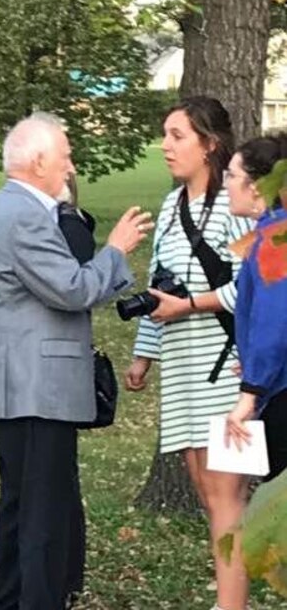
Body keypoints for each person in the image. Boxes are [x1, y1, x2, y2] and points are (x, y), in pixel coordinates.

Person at [0, 113, 150, 610]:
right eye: (65, 154)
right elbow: (73, 289)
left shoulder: (11, 209)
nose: (71, 165)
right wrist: (115, 250)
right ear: (38, 160)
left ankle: (7, 602)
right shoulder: (24, 214)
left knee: (21, 508)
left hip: (20, 386)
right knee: (42, 515)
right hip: (32, 388)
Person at [124, 97, 255, 610]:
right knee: (207, 492)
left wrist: (191, 305)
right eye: (165, 134)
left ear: (210, 144)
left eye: (177, 135)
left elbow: (256, 285)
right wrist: (143, 355)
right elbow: (162, 290)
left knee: (228, 497)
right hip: (182, 372)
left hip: (229, 372)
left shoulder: (235, 204)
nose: (165, 145)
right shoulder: (172, 207)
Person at [223, 133, 287, 481]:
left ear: (257, 185)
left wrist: (252, 390)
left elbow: (274, 321)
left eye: (232, 176)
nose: (226, 185)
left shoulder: (275, 241)